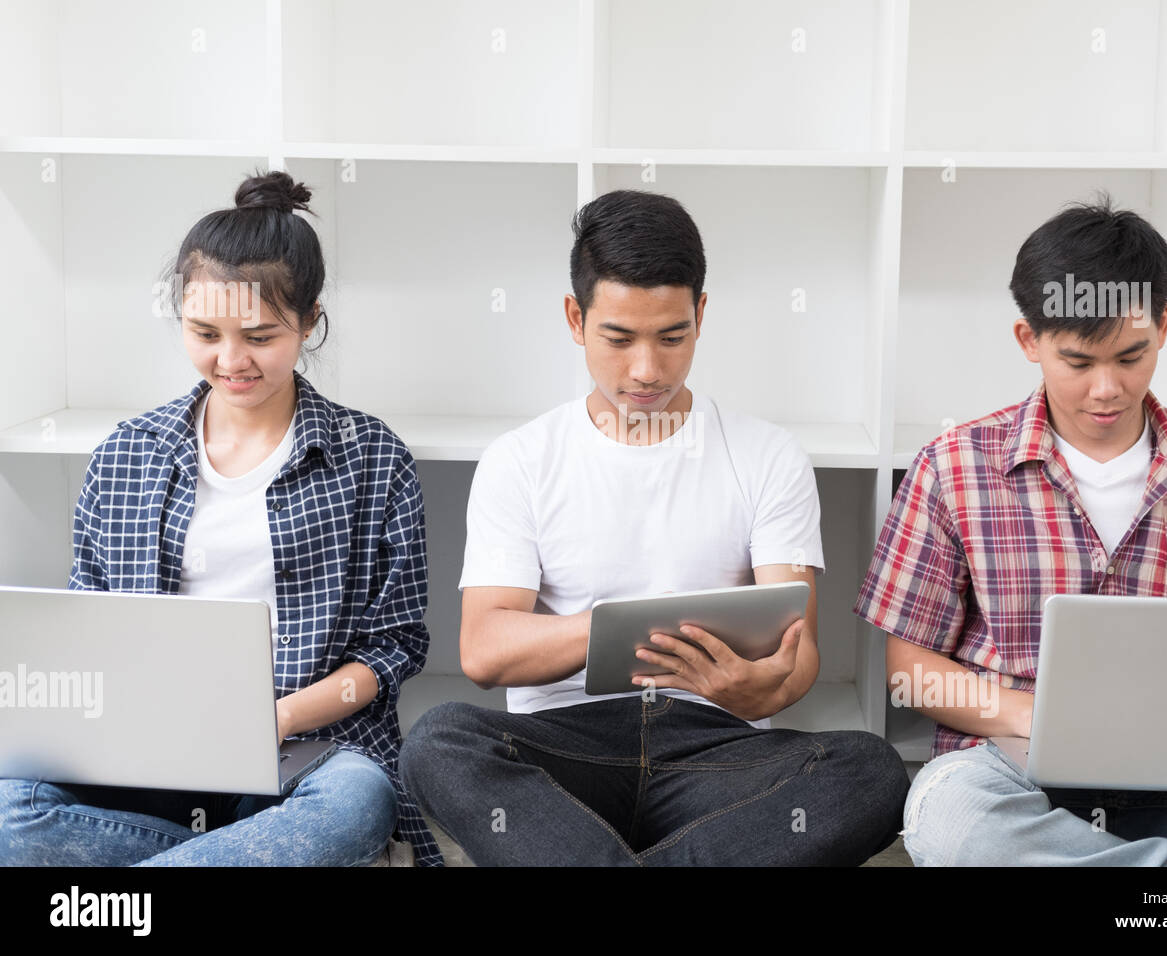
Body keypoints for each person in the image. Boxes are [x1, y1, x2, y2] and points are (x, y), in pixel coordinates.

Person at [399, 189, 908, 866]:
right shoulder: (520, 460)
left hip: (720, 750)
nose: (647, 369)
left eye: (673, 337)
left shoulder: (766, 455)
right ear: (575, 319)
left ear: (701, 314)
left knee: (871, 768)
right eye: (619, 337)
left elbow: (798, 655)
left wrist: (760, 689)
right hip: (563, 748)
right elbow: (486, 653)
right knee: (440, 742)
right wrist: (617, 628)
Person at [0, 171, 439, 867]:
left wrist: (280, 717)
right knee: (9, 813)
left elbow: (393, 651)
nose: (231, 361)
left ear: (309, 321)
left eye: (260, 336)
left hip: (311, 745)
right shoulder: (126, 454)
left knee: (355, 809)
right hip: (152, 742)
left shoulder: (371, 457)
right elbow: (89, 630)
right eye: (205, 332)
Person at [854, 195, 1167, 865]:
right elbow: (908, 675)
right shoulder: (953, 467)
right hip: (1011, 767)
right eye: (1079, 362)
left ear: (1164, 325)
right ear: (1028, 340)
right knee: (954, 825)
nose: (1106, 390)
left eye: (1131, 356)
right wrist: (1029, 717)